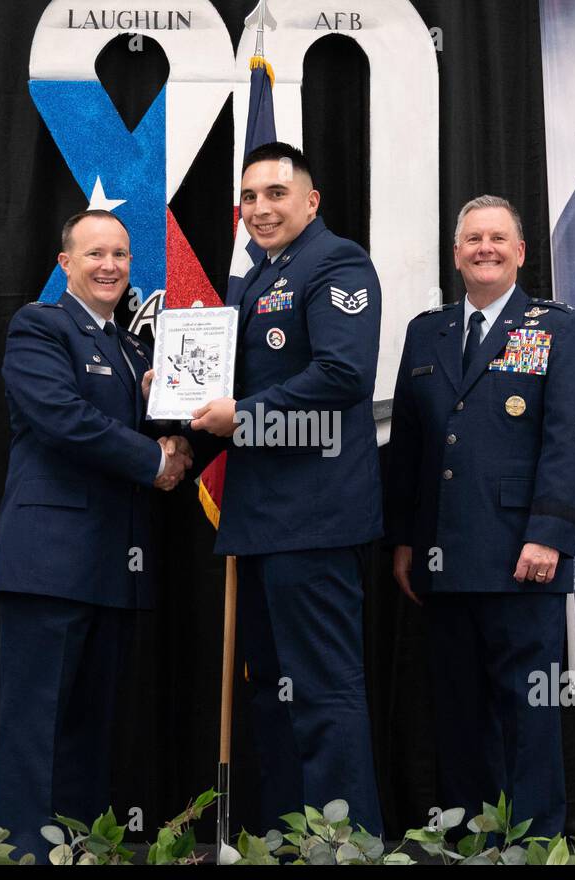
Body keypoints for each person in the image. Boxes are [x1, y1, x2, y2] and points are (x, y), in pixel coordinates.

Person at [385, 195, 575, 837]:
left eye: (498, 238)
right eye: (473, 239)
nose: (485, 249)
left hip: (521, 555)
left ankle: (534, 843)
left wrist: (548, 535)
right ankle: (469, 839)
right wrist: (403, 539)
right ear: (456, 254)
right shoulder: (428, 332)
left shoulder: (557, 327)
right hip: (443, 557)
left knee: (528, 711)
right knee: (458, 709)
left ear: (520, 251)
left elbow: (573, 437)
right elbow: (411, 445)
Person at [190, 142, 383, 835]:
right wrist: (177, 399)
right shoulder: (248, 282)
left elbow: (341, 375)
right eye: (250, 198)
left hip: (316, 519)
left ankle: (346, 848)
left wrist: (240, 415)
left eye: (275, 193)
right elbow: (234, 387)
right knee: (272, 697)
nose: (261, 209)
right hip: (260, 520)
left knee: (325, 694)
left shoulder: (337, 263)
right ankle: (286, 843)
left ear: (311, 201)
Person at [0, 209, 190, 861]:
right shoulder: (39, 327)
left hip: (112, 567)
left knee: (86, 731)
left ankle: (75, 849)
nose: (110, 266)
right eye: (96, 253)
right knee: (36, 728)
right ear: (65, 263)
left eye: (122, 255)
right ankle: (27, 853)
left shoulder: (135, 350)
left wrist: (174, 418)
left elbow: (148, 438)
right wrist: (154, 459)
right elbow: (65, 420)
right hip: (46, 562)